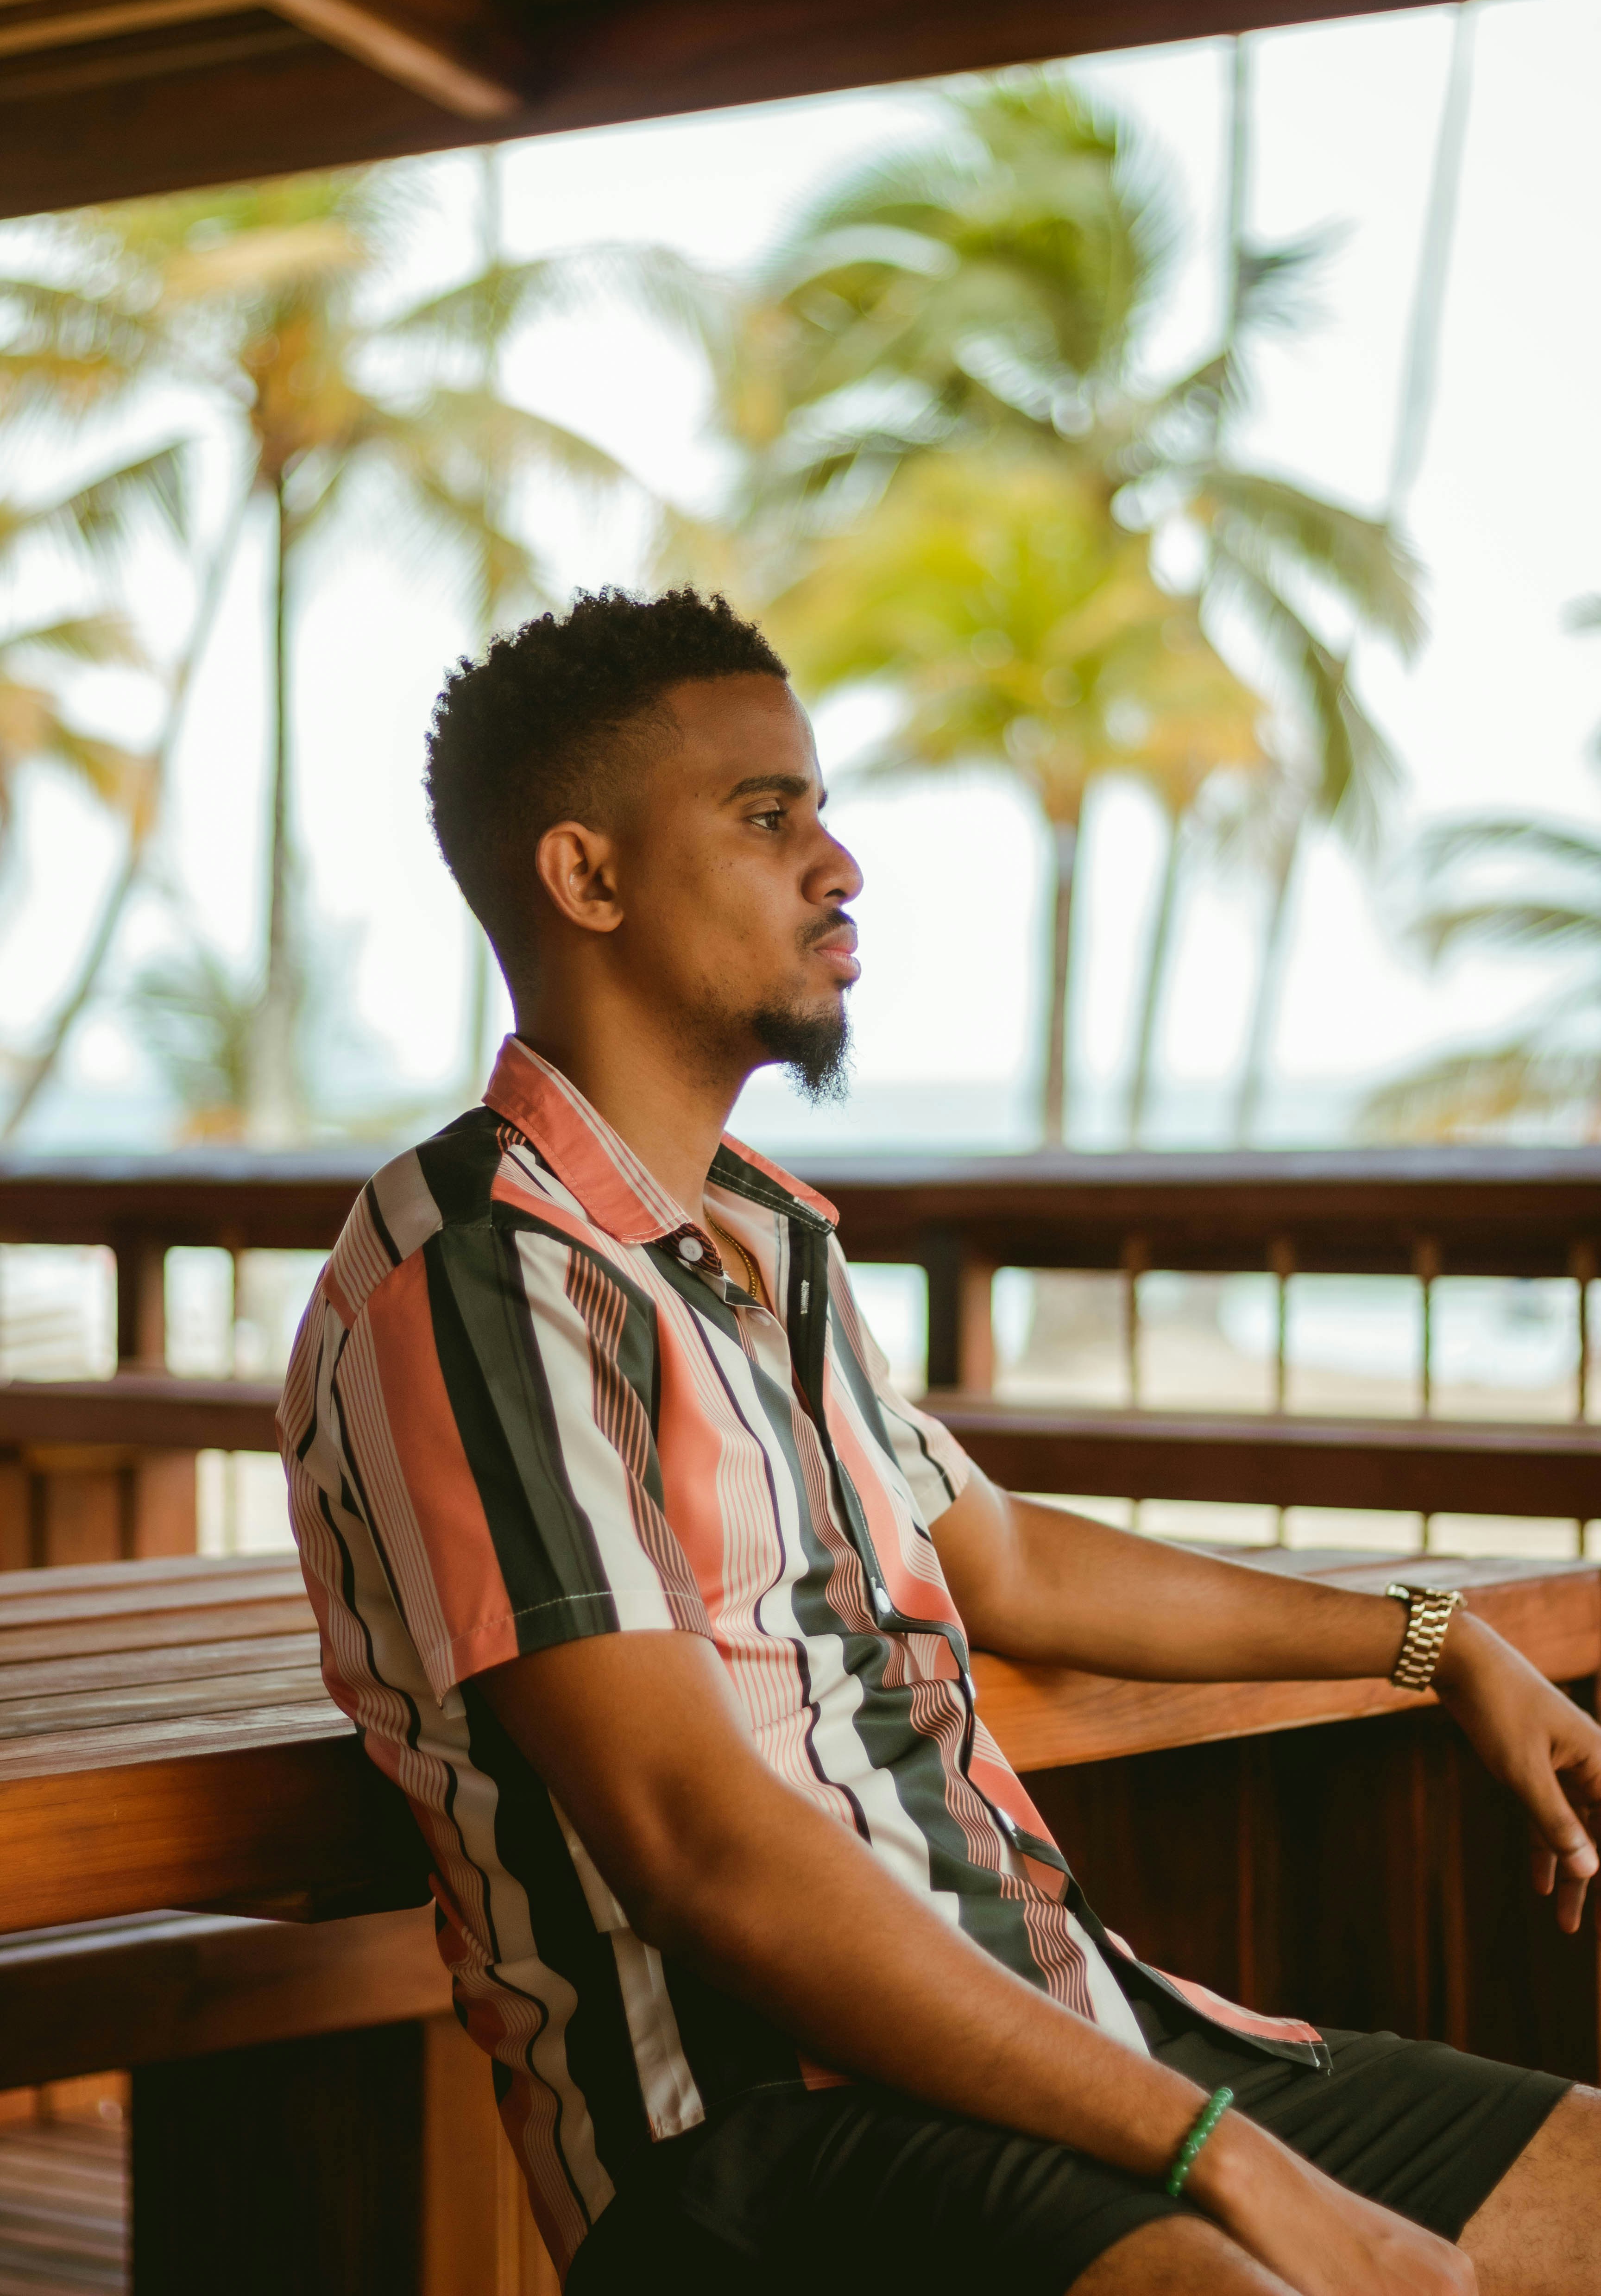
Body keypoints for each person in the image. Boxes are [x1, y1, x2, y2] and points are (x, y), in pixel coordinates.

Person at [280, 587, 1601, 2296]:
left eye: (822, 808)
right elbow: (695, 1847)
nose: (841, 865)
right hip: (766, 2137)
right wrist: (1227, 2168)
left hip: (1074, 2037)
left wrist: (1436, 1641)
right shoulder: (477, 1274)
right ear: (587, 877)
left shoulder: (764, 1240)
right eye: (770, 819)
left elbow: (1010, 1556)